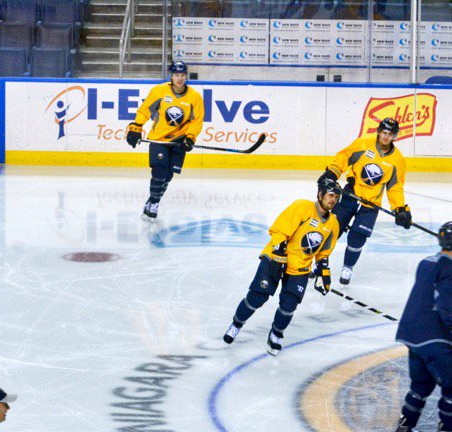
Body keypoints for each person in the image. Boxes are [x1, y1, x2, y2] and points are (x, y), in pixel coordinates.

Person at [223, 178, 342, 355]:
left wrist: (323, 271)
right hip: (276, 258)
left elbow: (323, 253)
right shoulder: (302, 207)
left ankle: (276, 334)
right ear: (320, 194)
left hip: (299, 268)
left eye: (336, 197)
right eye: (330, 195)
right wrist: (279, 254)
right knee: (257, 296)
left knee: (289, 305)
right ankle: (236, 324)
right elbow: (278, 231)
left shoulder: (333, 224)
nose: (333, 199)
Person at [391, 221, 452, 432]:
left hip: (412, 334)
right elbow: (447, 303)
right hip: (433, 336)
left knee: (421, 384)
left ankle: (404, 431)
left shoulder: (425, 263)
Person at [317, 117, 411, 286]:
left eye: (390, 134)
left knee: (358, 236)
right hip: (351, 193)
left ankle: (348, 267)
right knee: (333, 228)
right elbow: (344, 157)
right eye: (384, 132)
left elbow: (395, 187)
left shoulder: (398, 160)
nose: (386, 136)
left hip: (372, 203)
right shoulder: (363, 144)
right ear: (379, 132)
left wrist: (400, 208)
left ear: (394, 136)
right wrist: (332, 172)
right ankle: (319, 262)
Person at [125, 60, 204, 221]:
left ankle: (152, 201)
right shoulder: (159, 91)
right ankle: (154, 203)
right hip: (159, 139)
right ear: (171, 76)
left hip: (178, 141)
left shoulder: (194, 97)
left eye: (182, 75)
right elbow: (145, 110)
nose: (179, 78)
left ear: (186, 76)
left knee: (168, 176)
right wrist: (136, 127)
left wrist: (190, 137)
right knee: (159, 172)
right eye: (176, 75)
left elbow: (196, 121)